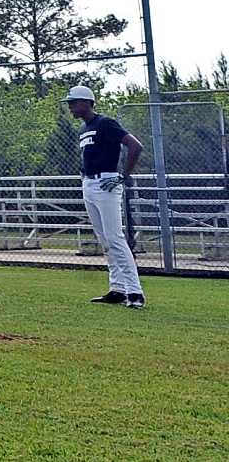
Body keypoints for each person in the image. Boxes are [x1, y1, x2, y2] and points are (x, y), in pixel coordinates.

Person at [67, 84, 146, 308]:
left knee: (114, 237)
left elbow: (135, 146)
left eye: (74, 103)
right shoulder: (84, 130)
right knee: (104, 239)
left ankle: (135, 292)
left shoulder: (105, 123)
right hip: (89, 183)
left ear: (86, 102)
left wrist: (123, 176)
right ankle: (117, 289)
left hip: (107, 182)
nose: (71, 107)